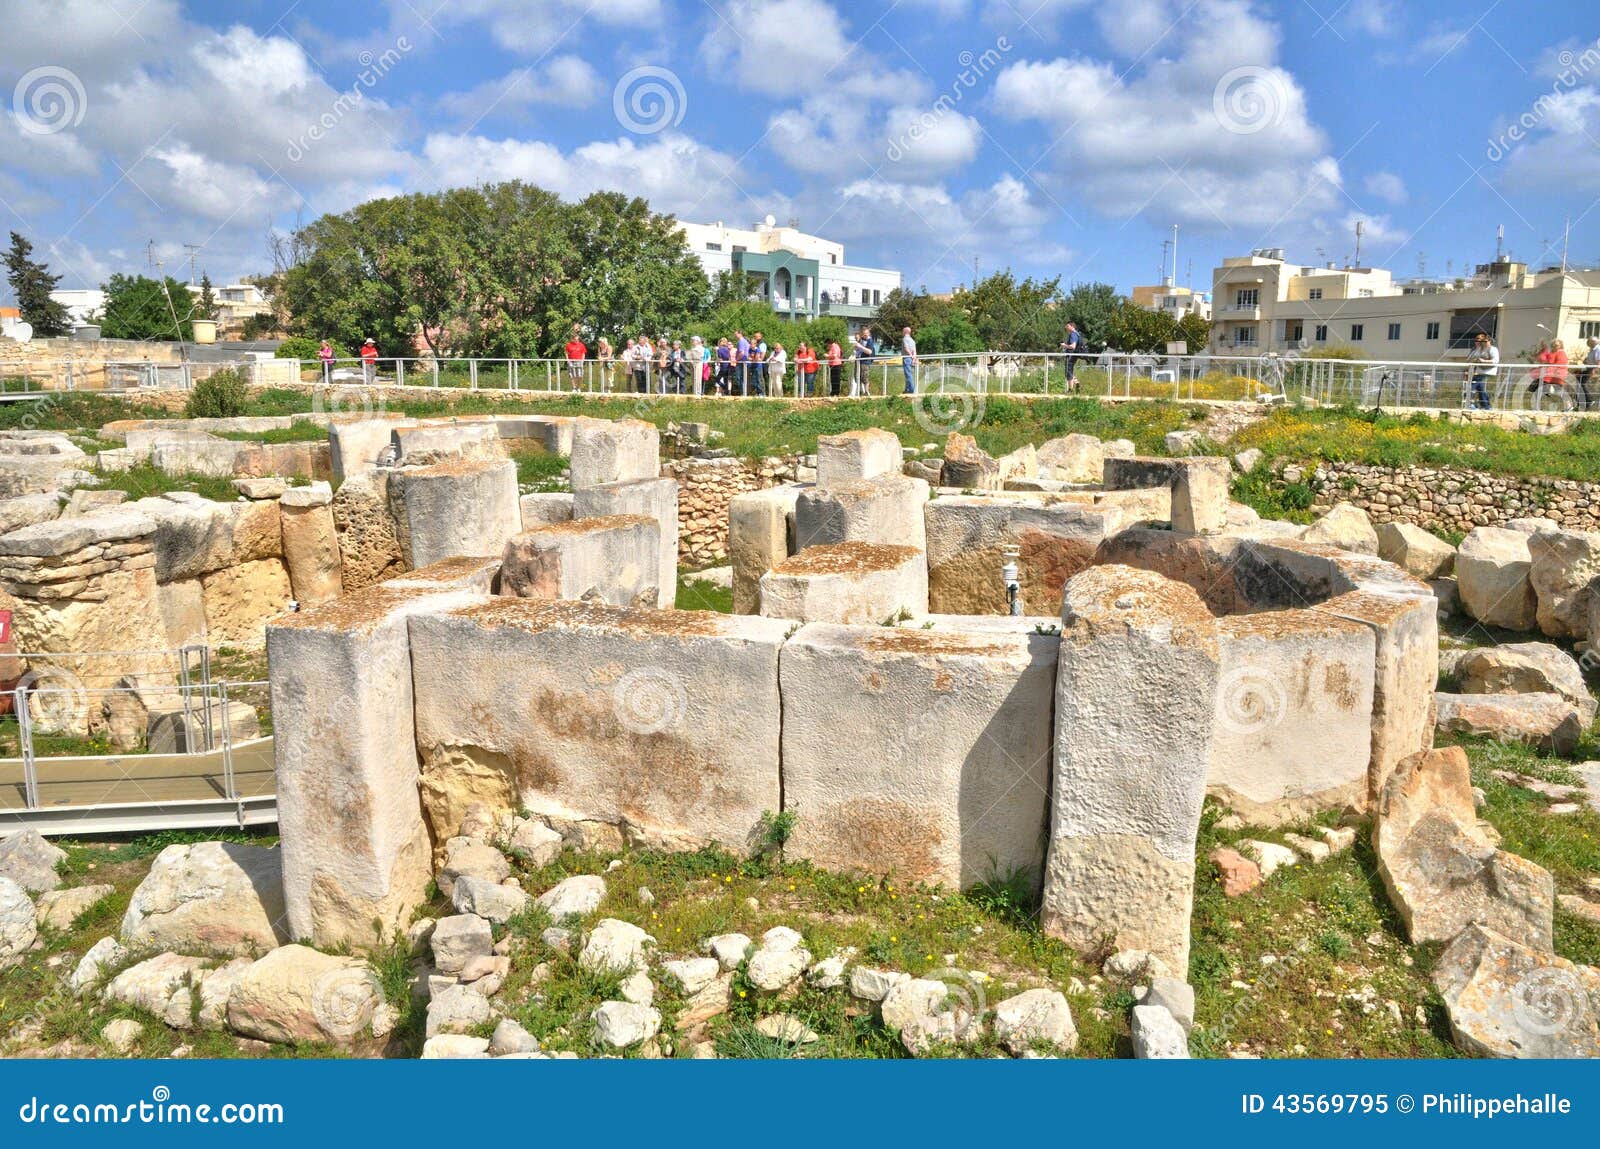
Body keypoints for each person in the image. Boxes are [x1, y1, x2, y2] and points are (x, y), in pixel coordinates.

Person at [1467, 332, 1497, 410]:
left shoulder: (1492, 349)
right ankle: (1486, 406)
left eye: (1484, 341)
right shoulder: (1480, 349)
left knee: (1472, 386)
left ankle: (1471, 404)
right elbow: (1471, 359)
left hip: (1487, 371)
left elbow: (1495, 361)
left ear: (1489, 341)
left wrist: (1483, 361)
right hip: (1480, 371)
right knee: (1481, 389)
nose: (1481, 343)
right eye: (1481, 341)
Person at [1060, 321, 1084, 390]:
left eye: (1067, 326)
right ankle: (1077, 383)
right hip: (1074, 355)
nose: (1066, 327)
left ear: (1072, 326)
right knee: (1069, 371)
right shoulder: (1077, 334)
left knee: (1068, 371)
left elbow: (1073, 346)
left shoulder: (1073, 334)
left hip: (1071, 355)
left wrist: (1064, 345)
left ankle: (1070, 389)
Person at [852, 327, 875, 397]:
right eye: (863, 334)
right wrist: (854, 352)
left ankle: (867, 392)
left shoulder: (870, 341)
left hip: (865, 361)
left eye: (866, 334)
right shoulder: (861, 339)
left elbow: (869, 351)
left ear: (868, 333)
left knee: (865, 377)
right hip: (858, 360)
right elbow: (857, 349)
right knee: (857, 377)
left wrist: (860, 346)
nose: (864, 335)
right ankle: (860, 392)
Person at [1582, 336, 1600, 411]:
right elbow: (1589, 360)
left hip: (1593, 370)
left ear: (1593, 342)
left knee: (1583, 383)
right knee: (1579, 381)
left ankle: (1589, 400)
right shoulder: (1592, 350)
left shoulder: (1597, 349)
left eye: (1588, 341)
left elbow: (1598, 361)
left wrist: (1594, 371)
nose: (1587, 343)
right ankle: (1587, 400)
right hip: (1589, 368)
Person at [900, 326, 917, 395]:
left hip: (907, 358)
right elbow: (914, 350)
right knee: (908, 374)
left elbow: (906, 348)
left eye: (902, 331)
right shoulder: (912, 340)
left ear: (905, 332)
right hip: (911, 358)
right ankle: (907, 389)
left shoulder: (905, 339)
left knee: (908, 374)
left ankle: (912, 390)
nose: (902, 332)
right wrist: (913, 358)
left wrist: (910, 355)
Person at [751, 331, 768, 397]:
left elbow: (762, 354)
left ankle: (763, 393)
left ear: (760, 337)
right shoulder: (755, 344)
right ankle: (758, 393)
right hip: (756, 364)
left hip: (761, 364)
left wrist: (759, 359)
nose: (756, 337)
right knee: (755, 379)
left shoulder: (762, 344)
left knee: (761, 378)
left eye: (757, 336)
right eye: (755, 336)